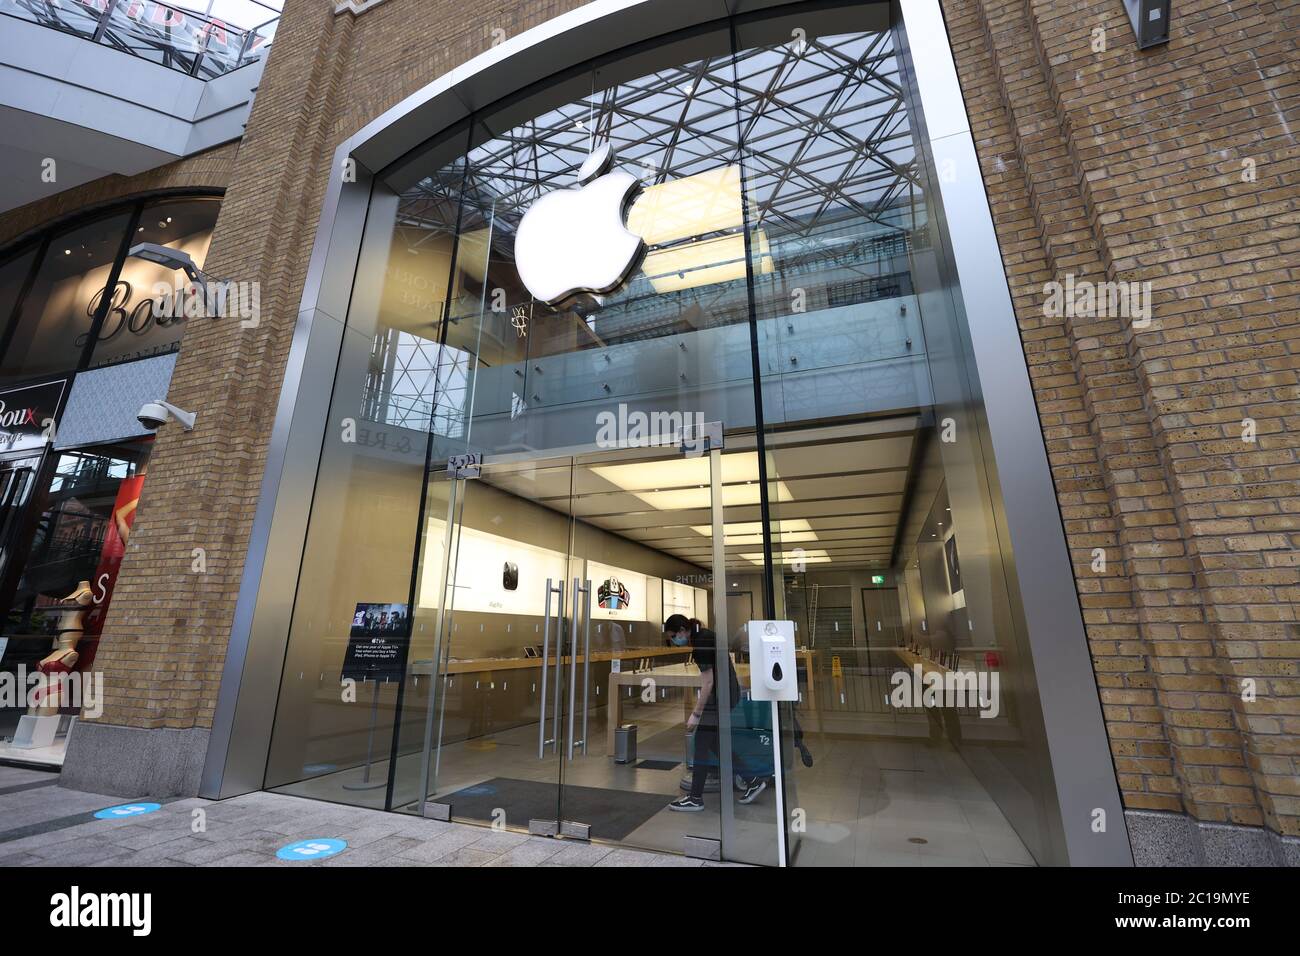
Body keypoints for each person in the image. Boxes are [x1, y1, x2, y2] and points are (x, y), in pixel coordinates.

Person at [664, 614, 767, 811]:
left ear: (683, 631)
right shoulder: (704, 635)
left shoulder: (701, 643)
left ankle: (695, 798)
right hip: (726, 693)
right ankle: (752, 779)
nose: (675, 641)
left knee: (701, 743)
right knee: (714, 744)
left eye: (674, 636)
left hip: (720, 697)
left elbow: (708, 682)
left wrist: (695, 714)